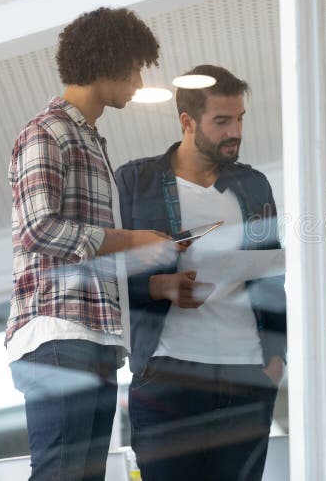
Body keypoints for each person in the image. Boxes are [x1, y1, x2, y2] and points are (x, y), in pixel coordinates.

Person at [7, 7, 176, 481]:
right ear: (111, 61)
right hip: (58, 334)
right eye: (138, 67)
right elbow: (39, 229)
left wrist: (138, 250)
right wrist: (131, 240)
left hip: (92, 334)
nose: (140, 81)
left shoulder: (88, 139)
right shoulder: (46, 132)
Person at [115, 64, 287, 481]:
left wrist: (277, 360)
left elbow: (271, 279)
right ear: (188, 122)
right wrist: (159, 285)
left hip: (247, 374)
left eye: (240, 118)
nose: (236, 131)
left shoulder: (254, 187)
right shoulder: (134, 183)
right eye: (222, 121)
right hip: (168, 374)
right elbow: (107, 274)